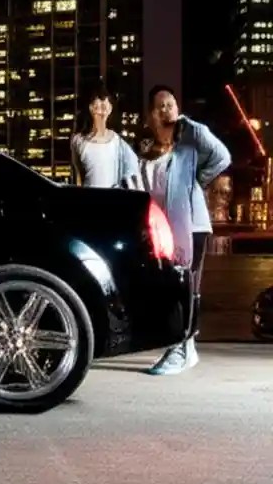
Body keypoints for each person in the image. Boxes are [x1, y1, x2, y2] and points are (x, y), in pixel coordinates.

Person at [137, 85, 231, 376]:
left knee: (188, 287)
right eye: (160, 106)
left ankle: (182, 346)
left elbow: (222, 157)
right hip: (160, 231)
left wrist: (197, 180)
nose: (166, 111)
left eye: (171, 105)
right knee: (168, 288)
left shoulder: (189, 145)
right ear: (150, 115)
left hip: (192, 227)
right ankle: (182, 343)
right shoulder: (143, 152)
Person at [71, 85, 139, 188]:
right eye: (98, 100)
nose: (103, 105)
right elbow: (78, 176)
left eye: (107, 101)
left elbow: (134, 171)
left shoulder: (119, 142)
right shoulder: (78, 140)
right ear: (90, 107)